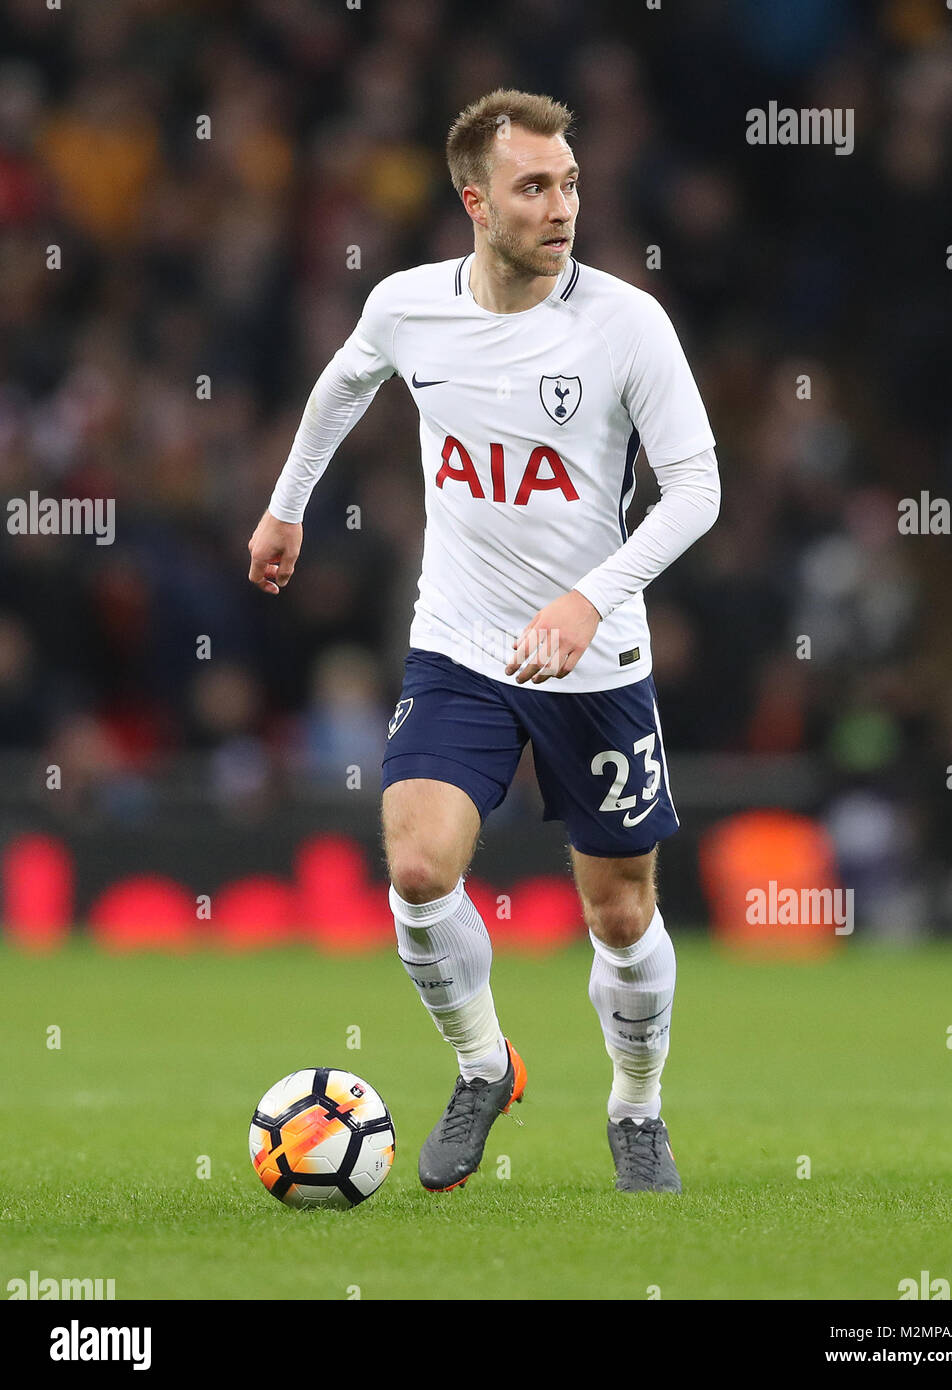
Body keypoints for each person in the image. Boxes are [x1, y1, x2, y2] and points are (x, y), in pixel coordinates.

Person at [248, 89, 720, 1194]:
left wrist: (589, 599)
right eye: (534, 187)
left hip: (593, 659)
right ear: (475, 200)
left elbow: (695, 489)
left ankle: (635, 1107)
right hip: (459, 639)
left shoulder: (625, 323)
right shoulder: (411, 307)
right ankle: (481, 1063)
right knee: (415, 865)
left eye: (568, 184)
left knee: (620, 909)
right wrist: (285, 508)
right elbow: (342, 383)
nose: (561, 207)